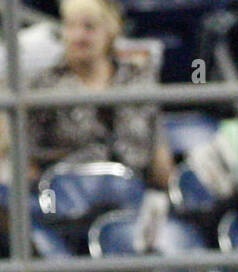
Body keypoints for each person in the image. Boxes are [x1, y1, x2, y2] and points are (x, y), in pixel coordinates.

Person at [26, 0, 173, 188]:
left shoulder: (138, 79)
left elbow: (158, 149)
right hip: (66, 201)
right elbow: (26, 160)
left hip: (134, 198)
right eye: (70, 26)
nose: (78, 36)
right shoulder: (43, 85)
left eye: (89, 27)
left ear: (111, 31)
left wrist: (165, 193)